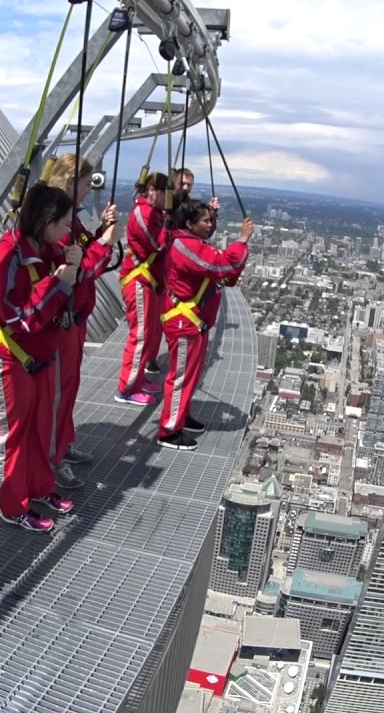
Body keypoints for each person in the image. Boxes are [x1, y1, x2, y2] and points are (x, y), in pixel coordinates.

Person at [0, 183, 83, 534]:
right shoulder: (5, 258)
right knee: (13, 435)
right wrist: (58, 283)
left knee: (39, 429)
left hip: (38, 356)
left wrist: (72, 267)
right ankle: (13, 505)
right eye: (63, 223)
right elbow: (18, 318)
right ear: (46, 220)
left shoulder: (45, 250)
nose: (67, 231)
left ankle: (40, 488)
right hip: (11, 356)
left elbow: (61, 295)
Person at [44, 153, 118, 490]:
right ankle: (53, 457)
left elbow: (82, 245)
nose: (89, 190)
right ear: (71, 182)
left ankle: (62, 445)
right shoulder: (55, 221)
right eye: (86, 184)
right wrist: (104, 242)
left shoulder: (69, 221)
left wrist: (100, 232)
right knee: (59, 391)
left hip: (73, 318)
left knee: (68, 387)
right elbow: (79, 269)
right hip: (62, 318)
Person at [157, 198, 253, 450]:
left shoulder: (190, 243)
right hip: (184, 324)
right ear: (189, 224)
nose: (211, 226)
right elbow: (222, 264)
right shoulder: (185, 246)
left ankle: (180, 416)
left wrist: (215, 216)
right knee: (180, 377)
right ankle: (169, 431)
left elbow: (223, 270)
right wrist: (242, 241)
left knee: (188, 375)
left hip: (191, 323)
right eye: (206, 221)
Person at [115, 172, 170, 406]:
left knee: (148, 333)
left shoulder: (153, 212)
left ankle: (137, 380)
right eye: (164, 192)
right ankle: (126, 388)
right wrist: (169, 225)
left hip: (148, 280)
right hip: (139, 279)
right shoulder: (143, 213)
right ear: (152, 191)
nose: (167, 197)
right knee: (140, 335)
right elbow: (158, 243)